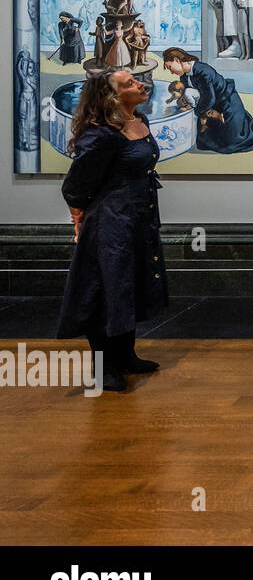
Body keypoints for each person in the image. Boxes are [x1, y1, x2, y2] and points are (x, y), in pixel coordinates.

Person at [57, 67, 166, 393]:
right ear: (112, 96)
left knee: (129, 285)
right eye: (130, 83)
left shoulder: (139, 121)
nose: (140, 84)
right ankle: (105, 369)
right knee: (107, 290)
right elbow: (76, 186)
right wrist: (79, 218)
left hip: (137, 218)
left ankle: (126, 356)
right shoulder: (101, 135)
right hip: (110, 224)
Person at [161, 48, 253, 153]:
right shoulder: (183, 76)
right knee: (203, 137)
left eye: (170, 67)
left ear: (177, 60)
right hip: (210, 107)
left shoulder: (203, 71)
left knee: (234, 139)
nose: (171, 72)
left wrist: (199, 112)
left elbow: (209, 97)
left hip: (226, 101)